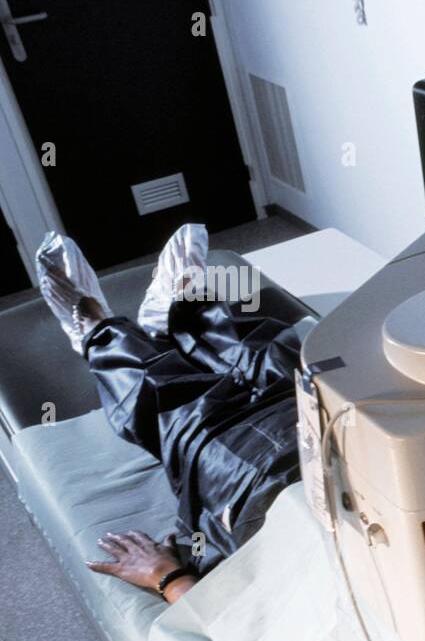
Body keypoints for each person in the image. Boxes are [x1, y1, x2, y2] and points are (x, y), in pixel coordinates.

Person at [35, 226, 302, 602]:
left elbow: (235, 630)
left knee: (195, 422)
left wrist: (168, 577)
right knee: (287, 367)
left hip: (269, 514)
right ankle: (184, 312)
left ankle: (96, 333)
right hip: (342, 465)